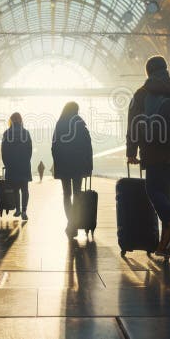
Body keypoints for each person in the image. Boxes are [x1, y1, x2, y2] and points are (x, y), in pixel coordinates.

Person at [126, 55, 170, 256]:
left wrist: (131, 151)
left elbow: (133, 124)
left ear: (148, 72)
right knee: (164, 195)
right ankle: (164, 246)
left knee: (153, 192)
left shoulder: (142, 94)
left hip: (154, 152)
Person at [52, 101, 93, 239]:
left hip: (64, 165)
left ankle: (71, 222)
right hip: (78, 166)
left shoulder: (60, 123)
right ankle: (73, 222)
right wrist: (89, 165)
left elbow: (55, 145)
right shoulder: (80, 123)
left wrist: (58, 162)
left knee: (66, 194)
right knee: (77, 194)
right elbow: (88, 146)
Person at [1, 112, 32, 220]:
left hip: (12, 165)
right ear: (20, 120)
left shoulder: (7, 133)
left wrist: (7, 164)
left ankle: (17, 210)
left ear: (11, 120)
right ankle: (24, 211)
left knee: (15, 189)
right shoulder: (26, 133)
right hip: (24, 165)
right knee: (25, 189)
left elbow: (3, 151)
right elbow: (30, 150)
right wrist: (26, 161)